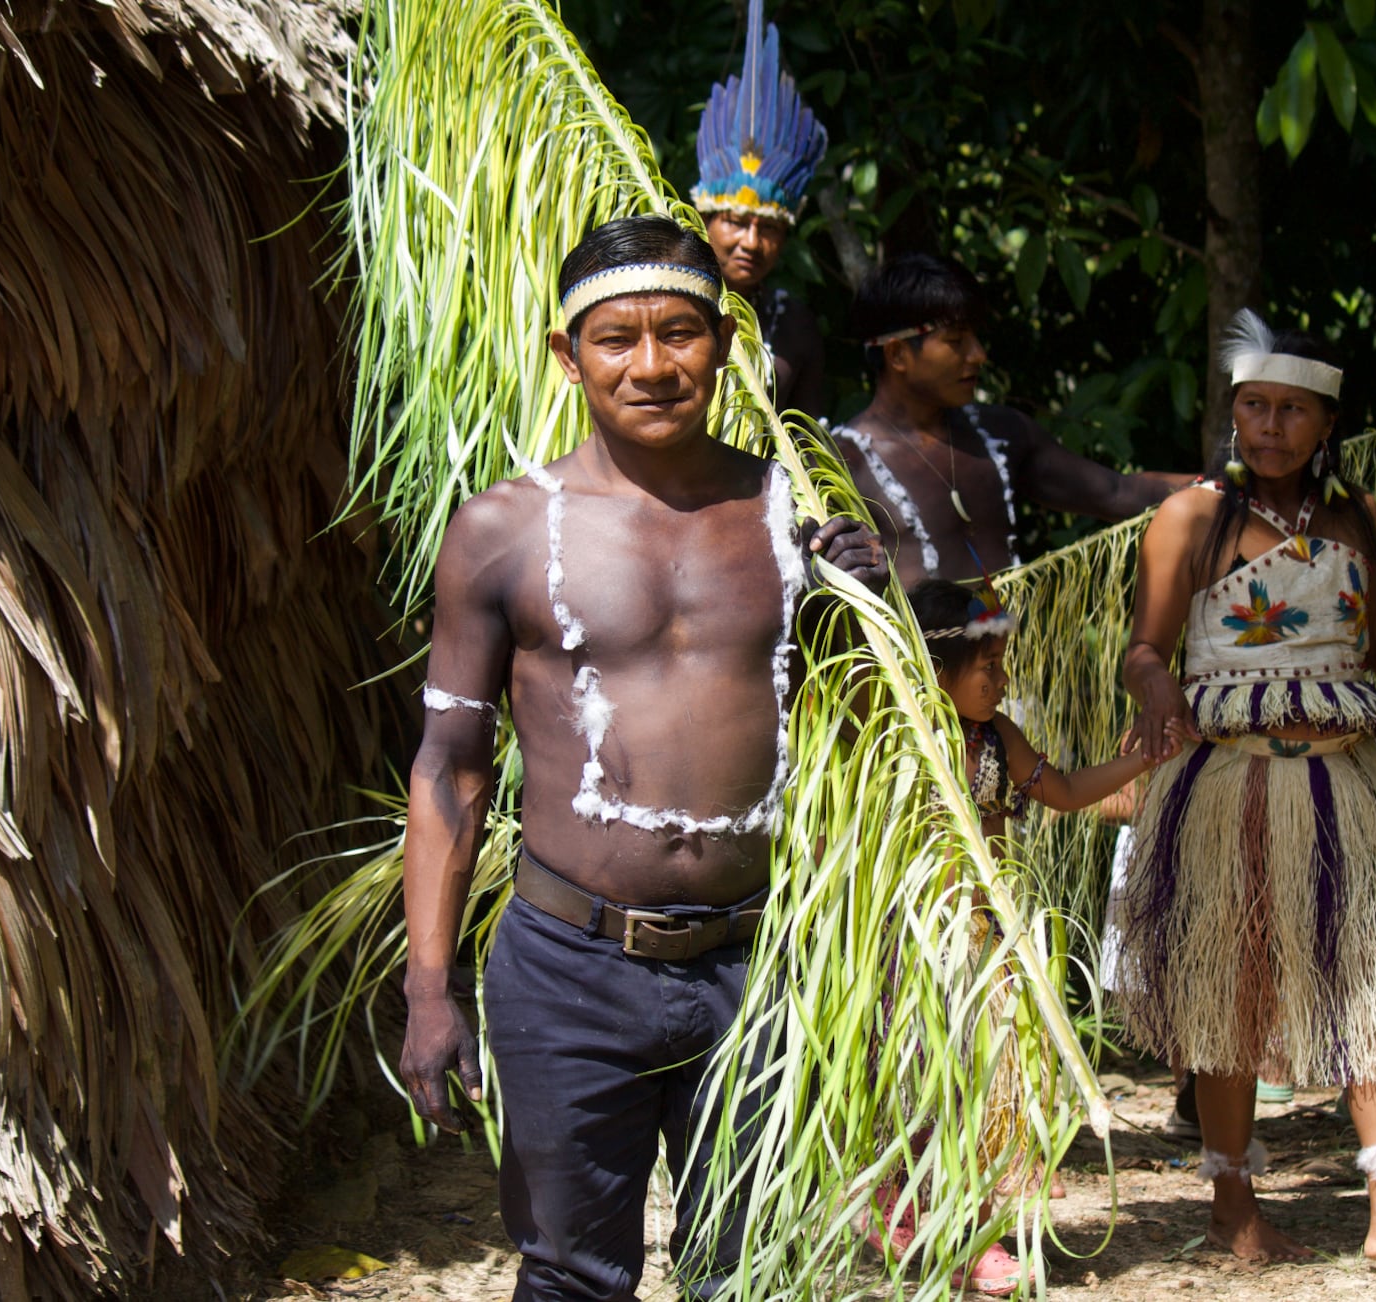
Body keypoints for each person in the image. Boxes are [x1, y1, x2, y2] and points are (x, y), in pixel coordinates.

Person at [399, 214, 887, 1302]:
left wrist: (868, 604)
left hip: (755, 968)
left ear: (725, 344)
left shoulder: (793, 517)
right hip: (567, 967)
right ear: (565, 357)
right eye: (616, 340)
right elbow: (449, 766)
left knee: (747, 1276)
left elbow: (873, 736)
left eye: (681, 334)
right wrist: (428, 987)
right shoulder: (503, 529)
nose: (654, 367)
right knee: (572, 1276)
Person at [1114, 310, 1376, 1264]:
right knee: (1232, 983)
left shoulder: (1353, 518)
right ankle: (1232, 1209)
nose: (1270, 426)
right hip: (1231, 775)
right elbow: (1144, 648)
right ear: (1233, 413)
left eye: (1291, 411)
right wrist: (1156, 687)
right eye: (1253, 407)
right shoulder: (1192, 516)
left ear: (1326, 423)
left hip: (1345, 777)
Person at [868, 580, 1180, 1295]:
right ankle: (905, 1204)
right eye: (989, 668)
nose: (1002, 681)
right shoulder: (894, 734)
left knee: (983, 1086)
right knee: (921, 1083)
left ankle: (976, 1231)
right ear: (936, 670)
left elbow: (1064, 792)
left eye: (1004, 665)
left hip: (987, 943)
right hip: (910, 941)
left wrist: (1143, 759)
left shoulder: (997, 737)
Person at [836, 253, 1192, 586]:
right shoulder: (840, 463)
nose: (979, 355)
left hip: (1019, 650)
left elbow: (1117, 493)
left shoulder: (1000, 434)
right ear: (898, 354)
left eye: (975, 337)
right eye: (956, 340)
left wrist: (1226, 483)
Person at [692, 0, 829, 418]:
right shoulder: (663, 301)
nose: (752, 242)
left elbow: (812, 442)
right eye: (735, 221)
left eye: (768, 227)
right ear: (706, 219)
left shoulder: (794, 323)